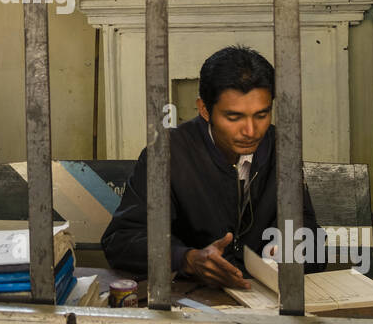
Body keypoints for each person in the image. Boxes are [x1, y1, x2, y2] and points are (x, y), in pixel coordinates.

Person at [100, 45, 322, 289]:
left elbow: (307, 231)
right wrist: (186, 259)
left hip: (264, 295)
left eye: (261, 115)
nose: (251, 131)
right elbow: (121, 240)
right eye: (234, 117)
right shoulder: (167, 155)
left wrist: (286, 254)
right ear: (205, 110)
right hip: (190, 297)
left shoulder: (283, 148)